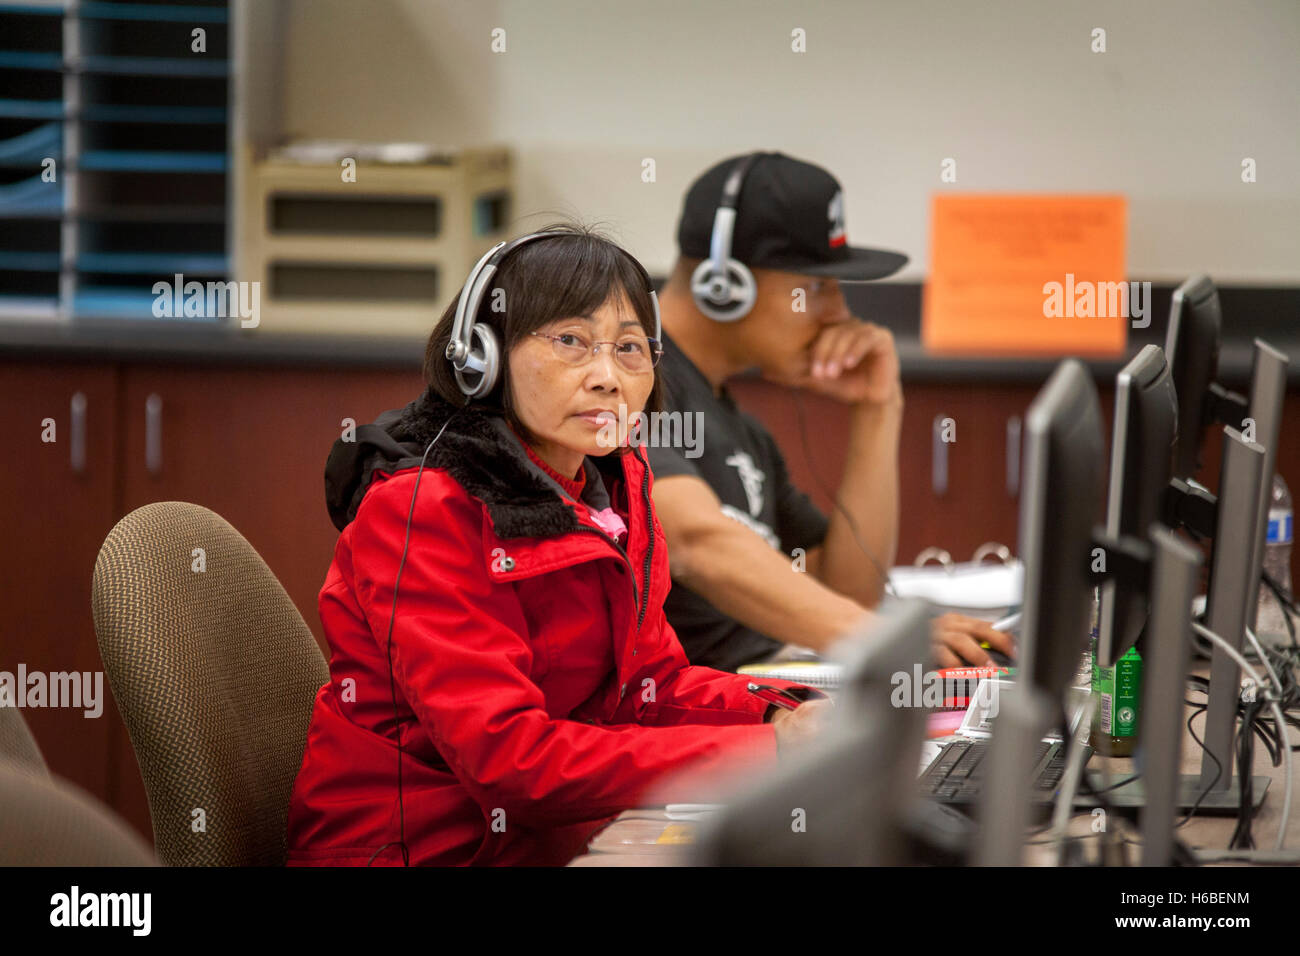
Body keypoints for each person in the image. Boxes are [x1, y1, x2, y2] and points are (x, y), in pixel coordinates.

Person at [284, 224, 831, 867]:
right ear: (482, 356)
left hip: (553, 839)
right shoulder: (422, 510)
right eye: (571, 341)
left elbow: (650, 687)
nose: (607, 377)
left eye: (630, 349)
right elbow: (511, 762)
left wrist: (784, 714)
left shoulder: (613, 483)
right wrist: (770, 752)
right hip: (426, 852)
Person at [645, 152, 1016, 672]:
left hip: (774, 688)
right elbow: (690, 542)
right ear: (724, 285)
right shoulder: (631, 382)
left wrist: (878, 408)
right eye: (815, 286)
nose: (838, 312)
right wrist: (883, 639)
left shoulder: (740, 428)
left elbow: (849, 590)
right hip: (708, 724)